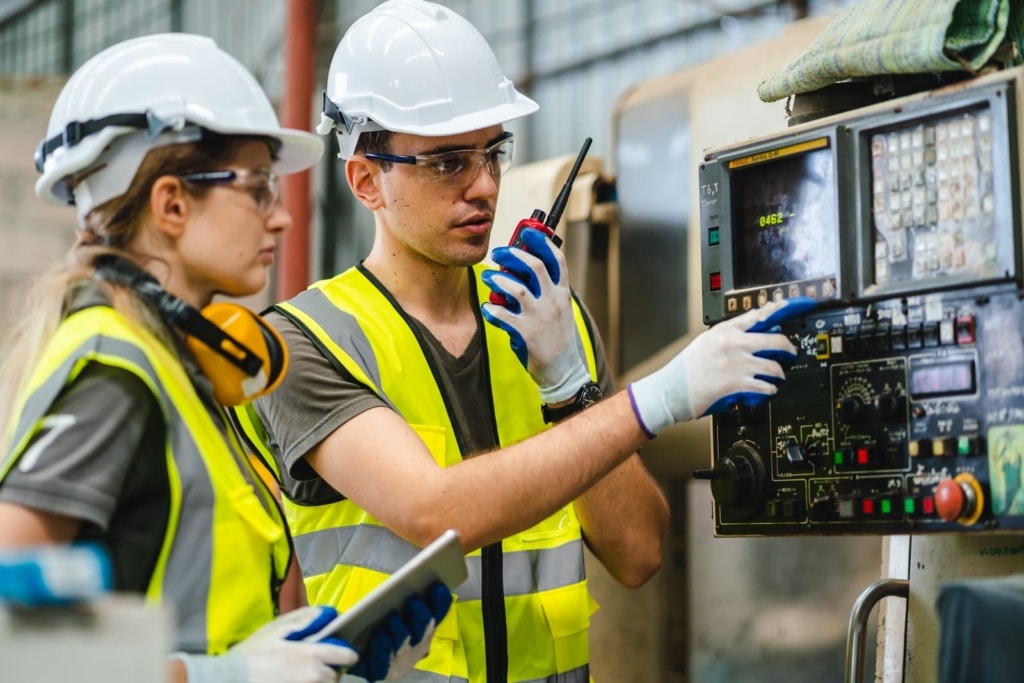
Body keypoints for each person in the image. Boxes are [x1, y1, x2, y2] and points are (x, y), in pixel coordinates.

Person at [234, 1, 805, 681]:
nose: (483, 186)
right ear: (366, 180)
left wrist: (570, 383)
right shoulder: (306, 342)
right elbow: (435, 510)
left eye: (493, 152)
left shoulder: (546, 317)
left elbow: (638, 550)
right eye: (449, 162)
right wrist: (661, 397)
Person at [0, 33, 449, 683]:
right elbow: (14, 643)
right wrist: (218, 674)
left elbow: (188, 610)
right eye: (258, 187)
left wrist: (317, 655)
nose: (283, 218)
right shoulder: (113, 372)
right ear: (172, 203)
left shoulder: (184, 367)